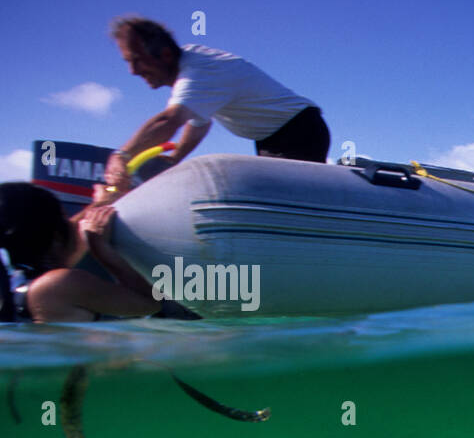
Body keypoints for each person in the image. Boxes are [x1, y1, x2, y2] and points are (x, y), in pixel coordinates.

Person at [101, 17, 329, 199]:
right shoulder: (191, 70)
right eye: (128, 62)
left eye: (137, 60)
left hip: (299, 133)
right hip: (276, 137)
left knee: (284, 206)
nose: (133, 71)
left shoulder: (198, 74)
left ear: (166, 55)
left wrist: (122, 155)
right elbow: (200, 123)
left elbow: (169, 121)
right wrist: (176, 157)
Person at [0, 182, 197, 322]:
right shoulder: (58, 284)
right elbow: (150, 303)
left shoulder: (18, 281)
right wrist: (102, 250)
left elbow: (61, 249)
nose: (72, 223)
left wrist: (101, 204)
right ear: (56, 237)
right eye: (65, 218)